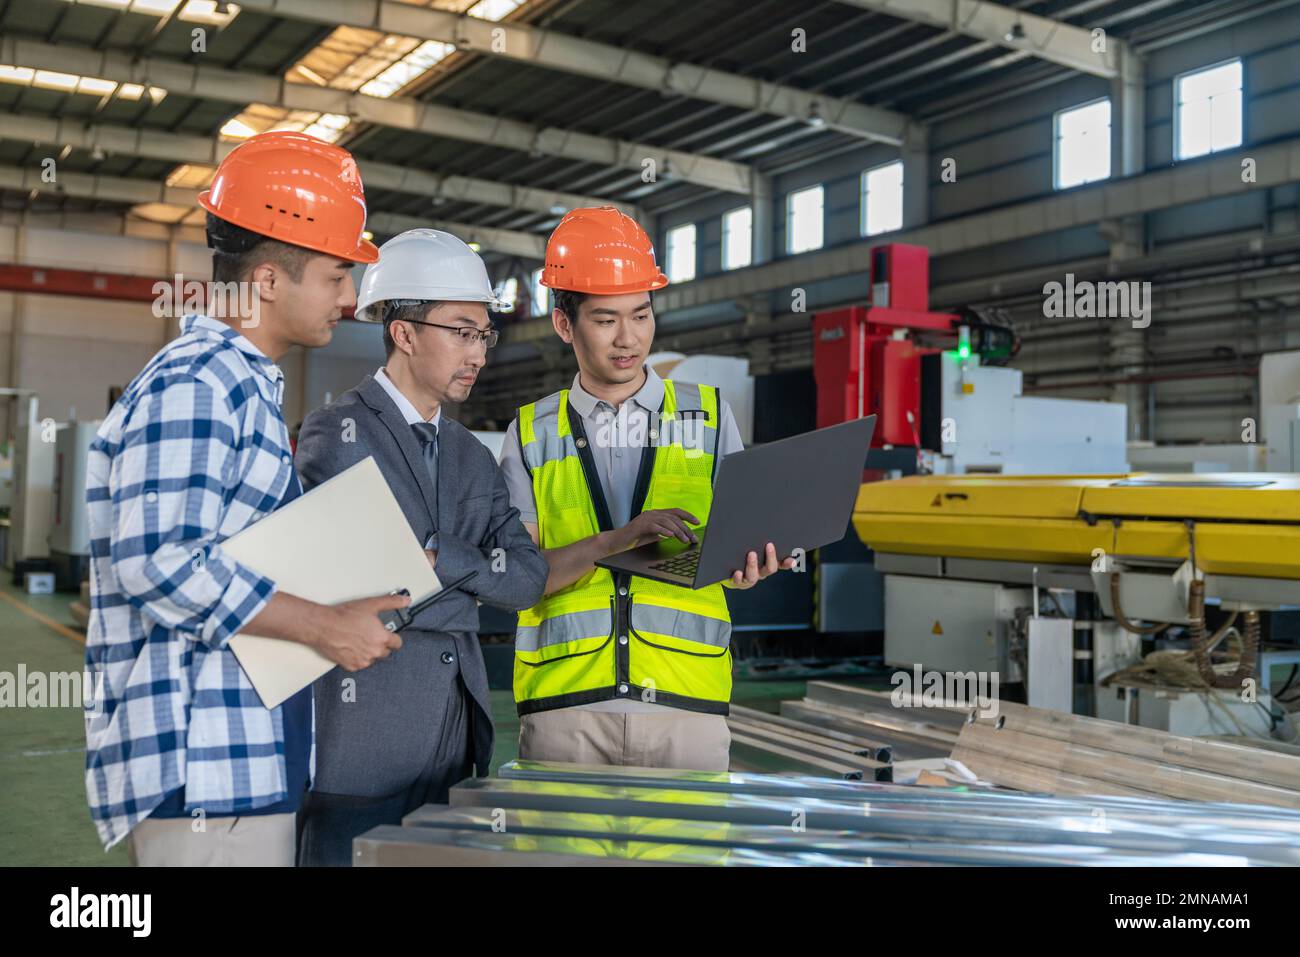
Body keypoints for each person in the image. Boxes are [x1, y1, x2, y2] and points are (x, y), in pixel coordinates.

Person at [84, 131, 409, 864]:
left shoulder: (242, 389)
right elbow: (159, 562)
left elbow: (224, 559)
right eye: (335, 275)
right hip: (205, 778)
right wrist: (325, 625)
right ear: (266, 279)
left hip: (242, 765)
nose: (351, 298)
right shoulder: (199, 384)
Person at [497, 206, 794, 772]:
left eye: (641, 314)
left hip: (688, 702)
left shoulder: (707, 417)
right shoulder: (531, 432)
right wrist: (615, 541)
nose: (629, 339)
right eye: (606, 320)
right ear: (565, 325)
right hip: (567, 705)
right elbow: (519, 580)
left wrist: (754, 566)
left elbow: (738, 546)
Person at [294, 228, 548, 866]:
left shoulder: (471, 454)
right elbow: (359, 584)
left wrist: (446, 559)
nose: (479, 352)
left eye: (484, 334)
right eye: (462, 331)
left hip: (456, 736)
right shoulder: (338, 431)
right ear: (403, 332)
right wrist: (465, 587)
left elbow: (526, 580)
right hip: (364, 739)